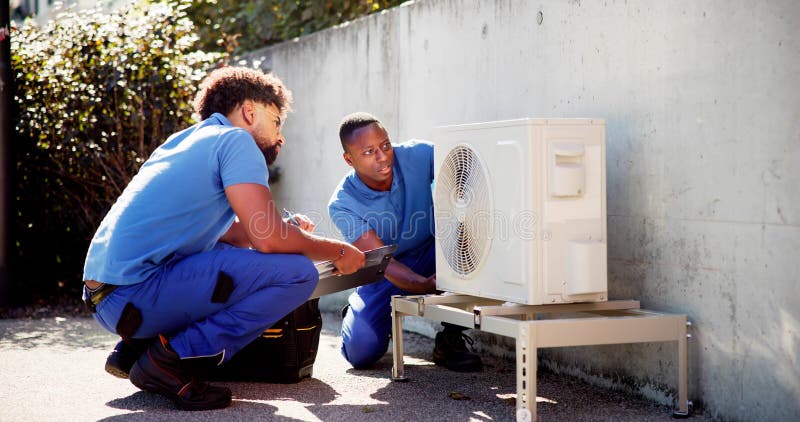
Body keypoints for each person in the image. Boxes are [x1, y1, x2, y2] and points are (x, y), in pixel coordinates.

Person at [82, 66, 365, 411]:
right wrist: (336, 250)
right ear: (249, 111)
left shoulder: (184, 140)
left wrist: (287, 227)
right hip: (136, 293)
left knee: (235, 251)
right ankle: (168, 358)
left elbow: (234, 232)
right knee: (298, 273)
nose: (281, 137)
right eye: (276, 122)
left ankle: (139, 346)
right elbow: (268, 239)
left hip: (108, 297)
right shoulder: (237, 140)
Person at [328, 112, 482, 372]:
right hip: (383, 271)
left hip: (433, 249)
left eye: (385, 145)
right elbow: (382, 260)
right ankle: (358, 315)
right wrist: (420, 284)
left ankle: (450, 339)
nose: (383, 157)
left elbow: (469, 166)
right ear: (349, 159)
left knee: (473, 237)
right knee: (360, 354)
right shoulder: (343, 204)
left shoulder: (419, 155)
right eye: (368, 152)